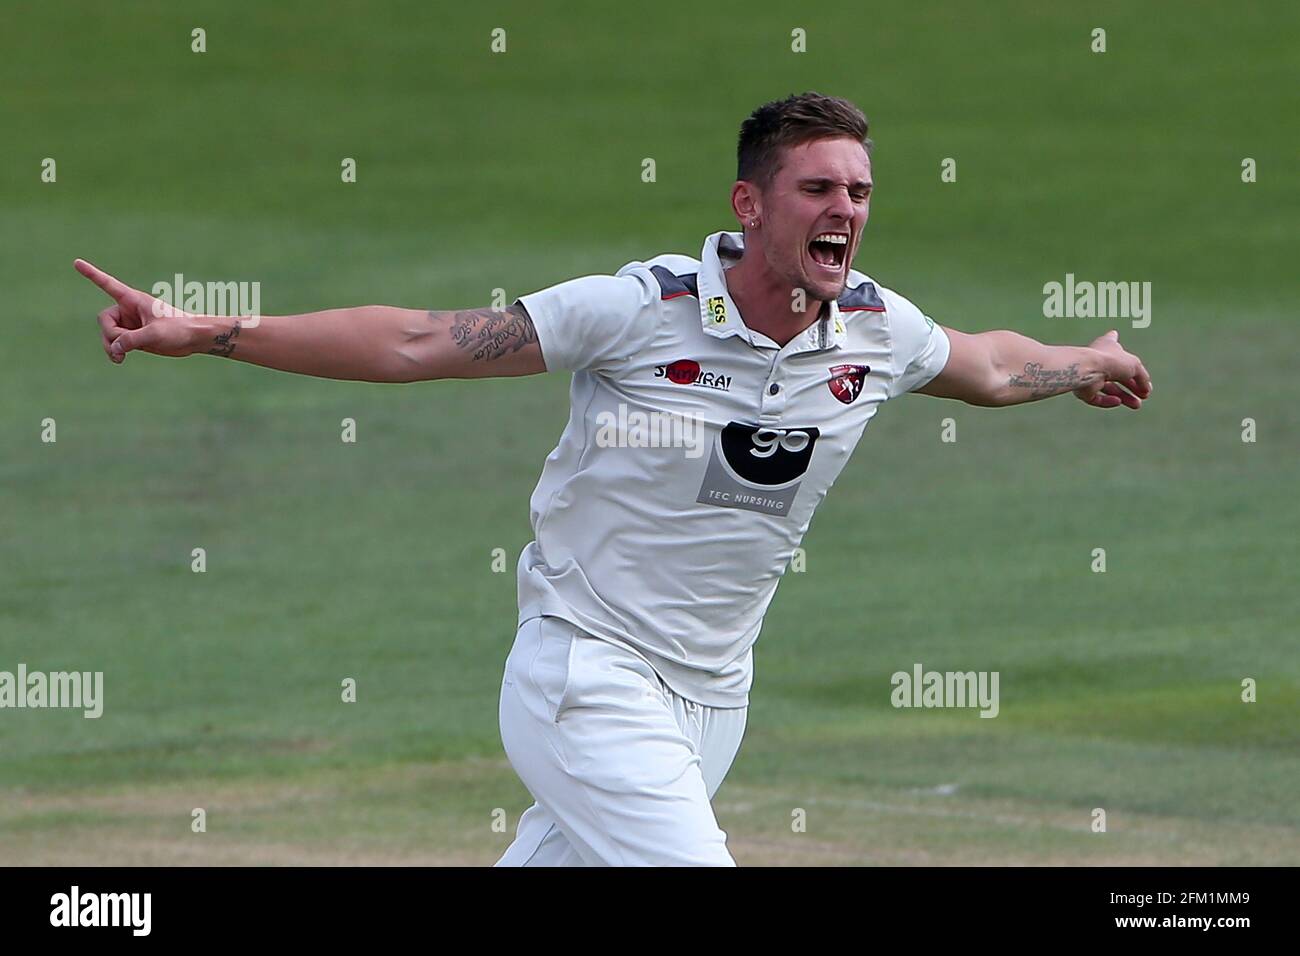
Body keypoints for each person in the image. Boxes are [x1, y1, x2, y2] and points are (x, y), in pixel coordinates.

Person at [75, 91, 1152, 866]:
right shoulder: (637, 310)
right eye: (818, 186)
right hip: (585, 673)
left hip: (714, 693)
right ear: (749, 201)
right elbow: (413, 340)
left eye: (860, 191)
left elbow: (991, 365)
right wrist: (207, 331)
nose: (847, 210)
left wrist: (1085, 364)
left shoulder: (874, 330)